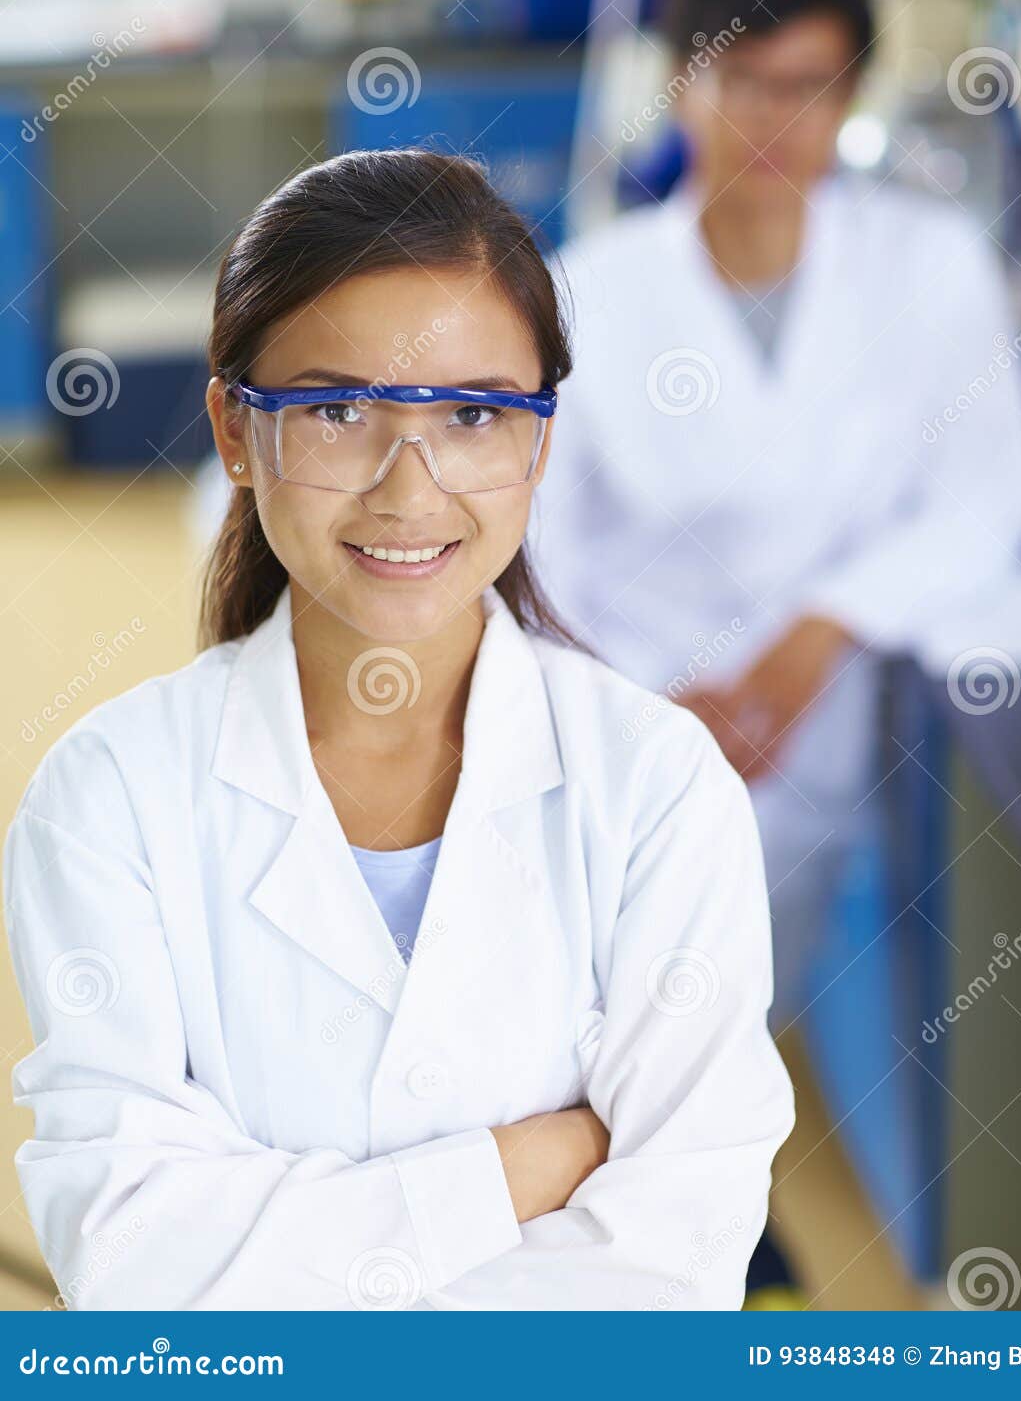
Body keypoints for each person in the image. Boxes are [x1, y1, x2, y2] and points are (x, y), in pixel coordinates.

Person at [4, 149, 793, 1312]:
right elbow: (134, 1269)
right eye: (334, 410)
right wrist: (518, 1167)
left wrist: (290, 1254)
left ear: (539, 437)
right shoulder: (109, 797)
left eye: (473, 413)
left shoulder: (656, 786)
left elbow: (673, 1264)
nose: (408, 490)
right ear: (234, 430)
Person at [534, 0, 1021, 1031]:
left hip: (833, 709)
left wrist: (813, 635)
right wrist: (652, 711)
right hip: (632, 701)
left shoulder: (924, 262)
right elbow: (538, 548)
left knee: (719, 1009)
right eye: (740, 82)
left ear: (850, 94)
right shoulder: (586, 292)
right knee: (596, 994)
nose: (771, 120)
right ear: (680, 86)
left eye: (807, 87)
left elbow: (986, 495)